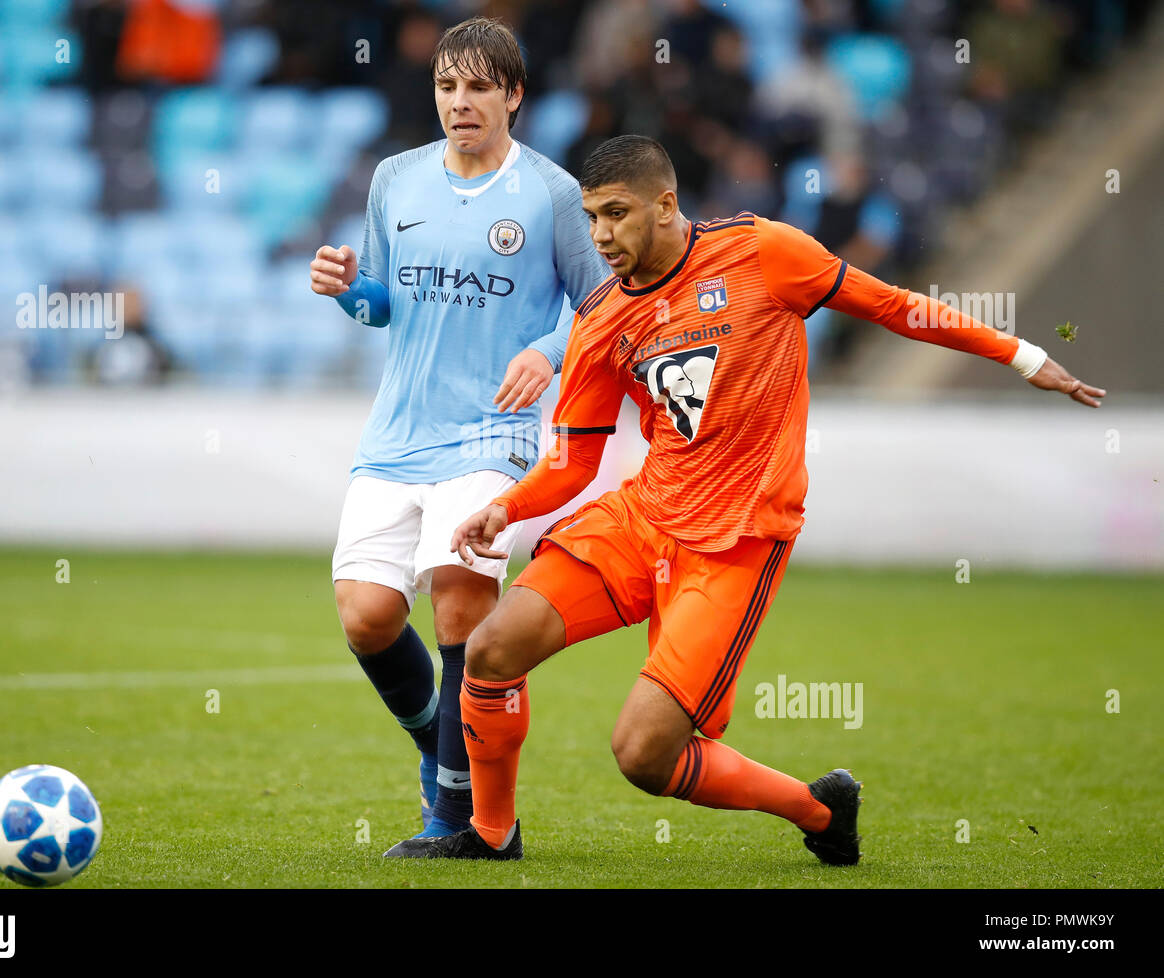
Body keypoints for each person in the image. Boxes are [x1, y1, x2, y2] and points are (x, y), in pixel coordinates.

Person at [384, 134, 1105, 861]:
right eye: (592, 218)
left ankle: (821, 813)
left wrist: (1024, 355)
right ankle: (491, 833)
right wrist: (510, 506)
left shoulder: (764, 253)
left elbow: (889, 305)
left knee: (643, 755)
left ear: (666, 205)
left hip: (736, 542)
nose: (600, 236)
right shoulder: (601, 318)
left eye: (616, 214)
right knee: (491, 650)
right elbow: (575, 461)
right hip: (641, 520)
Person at [308, 17, 608, 838]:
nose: (460, 101)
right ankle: (439, 743)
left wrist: (548, 353)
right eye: (447, 85)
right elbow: (380, 304)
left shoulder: (549, 193)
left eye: (479, 86)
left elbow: (600, 307)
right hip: (398, 436)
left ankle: (461, 817)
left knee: (457, 611)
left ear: (514, 94)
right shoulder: (395, 179)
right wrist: (345, 287)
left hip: (492, 436)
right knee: (366, 615)